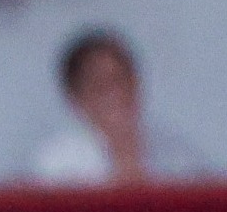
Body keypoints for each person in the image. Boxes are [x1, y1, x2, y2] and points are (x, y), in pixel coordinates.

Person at [24, 28, 208, 184]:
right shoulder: (55, 166)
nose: (117, 94)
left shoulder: (176, 157)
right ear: (76, 98)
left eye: (123, 80)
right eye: (101, 86)